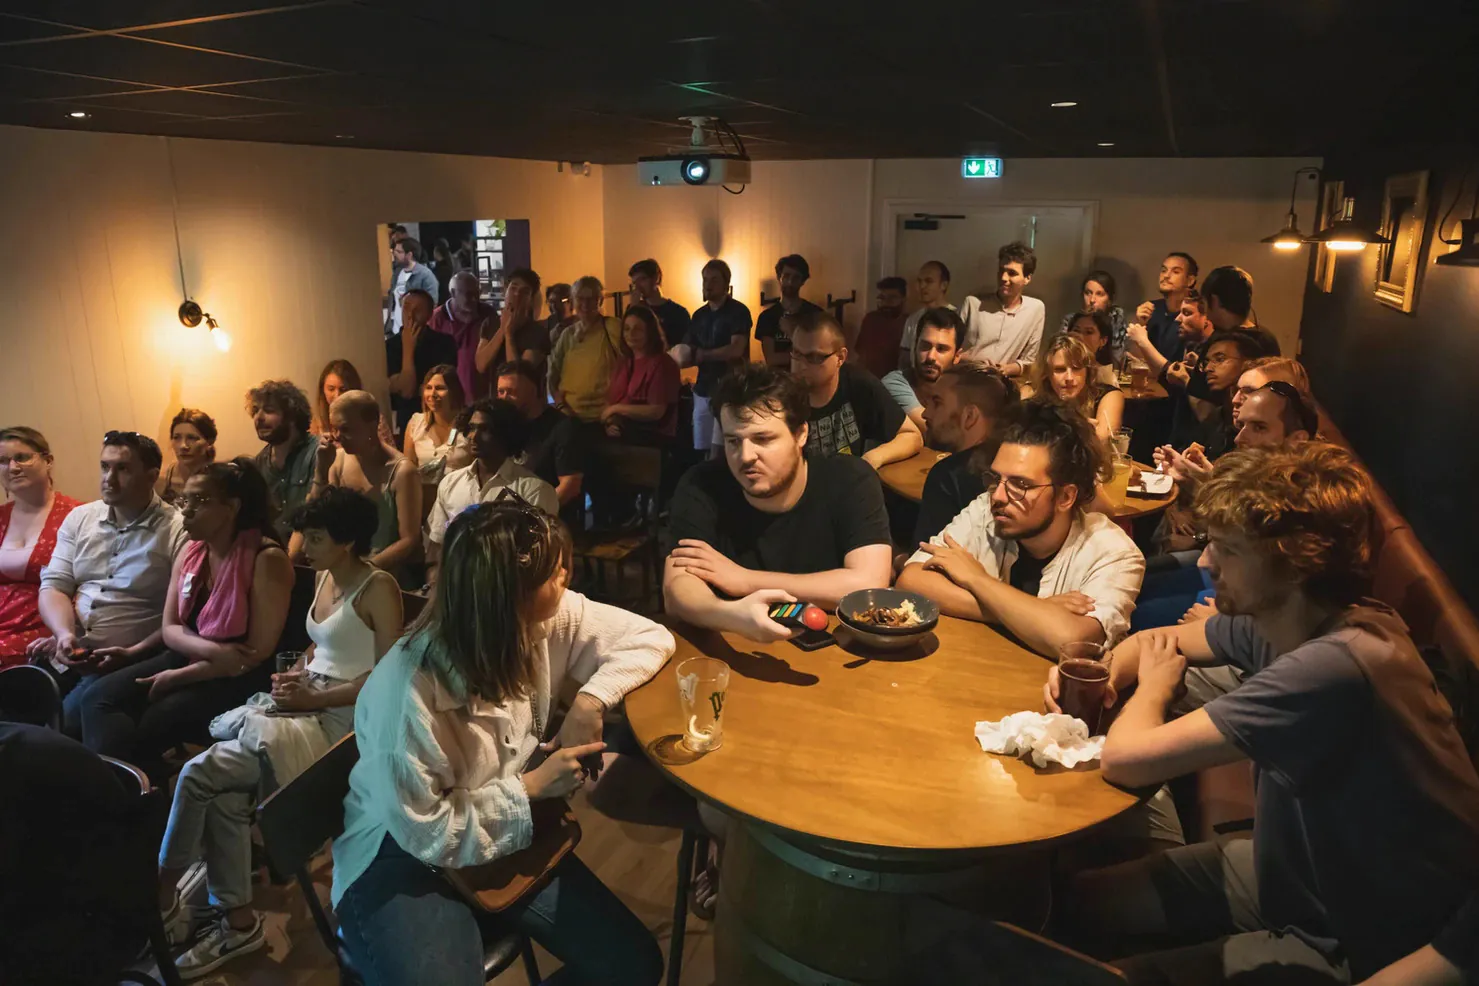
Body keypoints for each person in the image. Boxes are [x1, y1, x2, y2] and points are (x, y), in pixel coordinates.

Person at [1052, 443, 1479, 985]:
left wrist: (1155, 689)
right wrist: (1103, 676)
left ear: (1294, 562)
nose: (1206, 563)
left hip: (1361, 936)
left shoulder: (1337, 666)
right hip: (1297, 869)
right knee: (1078, 901)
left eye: (1227, 550)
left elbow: (1125, 759)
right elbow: (1156, 639)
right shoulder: (1293, 620)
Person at [333, 500, 670, 986]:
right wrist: (531, 788)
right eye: (555, 573)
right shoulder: (406, 695)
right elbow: (427, 831)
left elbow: (649, 638)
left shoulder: (540, 621)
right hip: (400, 853)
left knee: (633, 964)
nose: (566, 578)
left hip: (495, 834)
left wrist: (589, 701)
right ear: (506, 598)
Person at [155, 486, 403, 977]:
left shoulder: (378, 588)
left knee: (200, 772)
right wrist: (301, 673)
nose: (303, 546)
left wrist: (319, 696)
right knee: (224, 795)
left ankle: (162, 893)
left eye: (315, 537)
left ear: (348, 541)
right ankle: (237, 921)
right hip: (307, 702)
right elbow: (322, 648)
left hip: (345, 722)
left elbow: (388, 675)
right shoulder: (325, 578)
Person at [73, 459, 293, 780]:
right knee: (96, 698)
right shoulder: (192, 549)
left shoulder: (267, 558)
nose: (185, 511)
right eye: (183, 500)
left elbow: (254, 654)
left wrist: (178, 677)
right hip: (198, 657)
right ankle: (125, 796)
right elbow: (171, 628)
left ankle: (129, 799)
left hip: (240, 677)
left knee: (153, 720)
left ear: (232, 507)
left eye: (198, 501)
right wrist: (208, 656)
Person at [897, 400, 1144, 656]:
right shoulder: (987, 511)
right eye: (995, 479)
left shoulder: (1115, 552)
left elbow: (1072, 642)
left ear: (1065, 498)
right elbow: (912, 579)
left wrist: (976, 579)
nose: (999, 496)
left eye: (1020, 484)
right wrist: (1034, 610)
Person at [663, 364, 893, 639]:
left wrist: (745, 581)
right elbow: (677, 589)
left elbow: (870, 583)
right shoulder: (701, 485)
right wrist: (732, 616)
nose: (745, 456)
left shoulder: (850, 479)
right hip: (733, 646)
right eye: (733, 441)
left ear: (801, 434)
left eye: (763, 439)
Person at [31, 431, 187, 733]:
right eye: (105, 467)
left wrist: (136, 650)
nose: (109, 478)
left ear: (151, 476)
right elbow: (54, 585)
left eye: (123, 469)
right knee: (20, 702)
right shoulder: (81, 518)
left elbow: (183, 612)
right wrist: (63, 635)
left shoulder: (177, 528)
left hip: (137, 653)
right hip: (79, 648)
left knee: (64, 724)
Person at [426, 400, 558, 581]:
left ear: (505, 434)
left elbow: (538, 561)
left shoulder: (534, 490)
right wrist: (435, 583)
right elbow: (437, 544)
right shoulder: (450, 483)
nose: (473, 436)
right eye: (471, 428)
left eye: (485, 429)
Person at [309, 391, 422, 583]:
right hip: (343, 569)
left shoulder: (402, 472)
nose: (337, 436)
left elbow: (409, 540)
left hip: (384, 574)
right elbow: (315, 518)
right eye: (334, 429)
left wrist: (365, 570)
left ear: (372, 426)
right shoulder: (338, 462)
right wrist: (321, 471)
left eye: (345, 429)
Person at [790, 314, 923, 468]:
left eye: (814, 357)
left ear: (840, 357)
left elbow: (912, 435)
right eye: (797, 354)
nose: (801, 365)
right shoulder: (785, 397)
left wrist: (871, 460)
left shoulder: (859, 383)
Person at [912, 365, 1018, 548]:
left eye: (937, 403)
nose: (925, 413)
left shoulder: (947, 477)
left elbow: (927, 558)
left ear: (970, 416)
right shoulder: (1019, 467)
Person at [0, 427, 80, 666]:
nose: (13, 467)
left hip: (45, 630)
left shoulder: (77, 515)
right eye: (2, 461)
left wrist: (64, 632)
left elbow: (93, 583)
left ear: (48, 461)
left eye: (22, 457)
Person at [497, 360, 588, 518]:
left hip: (550, 524)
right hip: (510, 520)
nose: (505, 398)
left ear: (533, 391)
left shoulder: (563, 427)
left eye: (512, 392)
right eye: (501, 392)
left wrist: (533, 517)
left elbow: (571, 485)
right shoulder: (506, 426)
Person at [685, 259, 754, 454]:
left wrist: (703, 355)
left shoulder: (738, 312)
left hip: (729, 389)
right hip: (702, 389)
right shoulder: (698, 315)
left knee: (722, 450)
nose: (707, 284)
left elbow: (736, 350)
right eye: (705, 279)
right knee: (701, 449)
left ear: (726, 284)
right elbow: (689, 349)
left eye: (714, 279)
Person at [247, 379, 321, 548]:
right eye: (256, 411)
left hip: (311, 561)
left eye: (269, 410)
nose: (259, 418)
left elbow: (314, 518)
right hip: (274, 556)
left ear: (292, 417)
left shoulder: (317, 453)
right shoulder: (258, 463)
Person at [959, 242, 1046, 377]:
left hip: (1004, 384)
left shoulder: (1035, 309)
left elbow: (1029, 362)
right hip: (968, 379)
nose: (1003, 278)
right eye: (1001, 271)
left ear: (1027, 278)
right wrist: (974, 362)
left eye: (1012, 273)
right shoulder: (972, 303)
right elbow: (950, 350)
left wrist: (1008, 369)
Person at [1027, 333, 1125, 447]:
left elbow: (1103, 443)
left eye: (1076, 368)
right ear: (1047, 374)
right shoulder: (1033, 394)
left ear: (1087, 371)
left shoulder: (1109, 395)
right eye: (1060, 369)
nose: (1069, 377)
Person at [548, 275, 622, 423]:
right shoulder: (567, 335)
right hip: (568, 417)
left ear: (600, 301)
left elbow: (630, 365)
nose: (585, 304)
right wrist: (561, 407)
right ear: (573, 302)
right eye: (580, 298)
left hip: (603, 417)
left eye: (591, 299)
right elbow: (552, 375)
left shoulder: (613, 327)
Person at [602, 304, 681, 442]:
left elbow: (656, 411)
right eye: (626, 329)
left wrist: (616, 409)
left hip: (652, 435)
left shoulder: (662, 363)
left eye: (637, 329)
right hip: (623, 428)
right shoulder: (624, 361)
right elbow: (610, 401)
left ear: (650, 332)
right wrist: (611, 422)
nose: (630, 334)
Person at [881, 306, 962, 437]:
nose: (930, 356)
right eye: (925, 346)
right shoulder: (894, 383)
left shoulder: (963, 389)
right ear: (915, 346)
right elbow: (937, 434)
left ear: (957, 356)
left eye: (941, 349)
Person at [388, 291, 459, 431]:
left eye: (418, 310)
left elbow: (444, 386)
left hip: (440, 417)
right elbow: (407, 391)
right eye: (407, 307)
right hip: (408, 421)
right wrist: (408, 349)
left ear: (429, 315)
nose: (411, 314)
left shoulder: (444, 343)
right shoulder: (390, 346)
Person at [403, 363, 469, 502]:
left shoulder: (469, 424)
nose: (432, 394)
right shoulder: (416, 423)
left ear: (454, 391)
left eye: (439, 388)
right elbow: (408, 469)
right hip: (426, 500)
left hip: (461, 498)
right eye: (428, 388)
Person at [428, 270, 495, 401]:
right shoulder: (437, 319)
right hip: (449, 397)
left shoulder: (488, 314)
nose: (474, 299)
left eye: (477, 293)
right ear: (453, 293)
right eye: (469, 294)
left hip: (483, 395)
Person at [477, 267, 550, 383]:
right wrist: (502, 329)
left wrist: (509, 334)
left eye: (525, 292)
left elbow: (517, 376)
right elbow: (481, 365)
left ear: (531, 299)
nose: (517, 295)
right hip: (496, 398)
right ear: (505, 290)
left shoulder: (538, 333)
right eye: (513, 288)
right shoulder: (490, 323)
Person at [1129, 252, 1199, 366]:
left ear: (1190, 280)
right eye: (1163, 270)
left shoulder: (1194, 314)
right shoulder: (1151, 309)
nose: (1166, 276)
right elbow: (1135, 362)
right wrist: (1140, 324)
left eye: (1175, 272)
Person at [756, 254, 825, 366]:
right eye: (786, 276)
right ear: (779, 277)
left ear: (803, 281)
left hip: (808, 378)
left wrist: (792, 333)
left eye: (796, 278)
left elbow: (820, 355)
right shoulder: (767, 317)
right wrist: (805, 353)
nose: (790, 282)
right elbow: (771, 359)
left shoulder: (816, 314)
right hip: (778, 380)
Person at [1199, 264, 1280, 356]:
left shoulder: (1229, 343)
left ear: (1214, 300)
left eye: (1204, 302)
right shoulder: (1266, 338)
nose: (1205, 312)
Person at [317, 357, 399, 445]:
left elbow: (391, 455)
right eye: (331, 389)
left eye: (343, 389)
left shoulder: (373, 419)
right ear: (323, 390)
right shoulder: (318, 425)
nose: (337, 396)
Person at [1061, 270, 1129, 366]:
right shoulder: (1071, 319)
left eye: (1099, 294)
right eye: (1088, 293)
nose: (1092, 300)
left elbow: (1118, 362)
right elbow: (1061, 355)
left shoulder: (1116, 319)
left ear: (1110, 299)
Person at [898, 260, 955, 370]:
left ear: (943, 285)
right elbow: (904, 358)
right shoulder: (913, 319)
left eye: (928, 281)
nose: (922, 286)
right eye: (919, 281)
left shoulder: (956, 318)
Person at [158, 408, 218, 506]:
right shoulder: (161, 480)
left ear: (209, 441)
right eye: (176, 437)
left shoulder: (219, 481)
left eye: (192, 438)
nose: (183, 446)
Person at [853, 276, 909, 379]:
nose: (886, 302)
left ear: (903, 299)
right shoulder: (870, 319)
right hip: (869, 382)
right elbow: (861, 356)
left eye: (892, 298)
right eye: (882, 297)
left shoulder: (909, 323)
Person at [628, 258, 691, 348]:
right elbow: (627, 341)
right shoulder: (634, 309)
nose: (638, 287)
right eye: (634, 283)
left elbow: (683, 348)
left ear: (656, 278)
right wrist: (634, 308)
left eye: (642, 279)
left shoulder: (678, 312)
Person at [387, 237, 438, 336]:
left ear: (409, 255)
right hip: (396, 331)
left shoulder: (425, 275)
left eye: (399, 251)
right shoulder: (397, 273)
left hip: (415, 332)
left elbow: (432, 304)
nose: (394, 254)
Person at [1065, 310, 1121, 388]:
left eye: (1089, 332)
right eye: (1076, 330)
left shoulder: (1104, 377)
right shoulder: (1058, 365)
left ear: (1103, 341)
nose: (1079, 336)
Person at [544, 282, 576, 348]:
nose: (554, 306)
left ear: (571, 302)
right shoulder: (545, 326)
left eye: (559, 301)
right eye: (551, 301)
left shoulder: (581, 326)